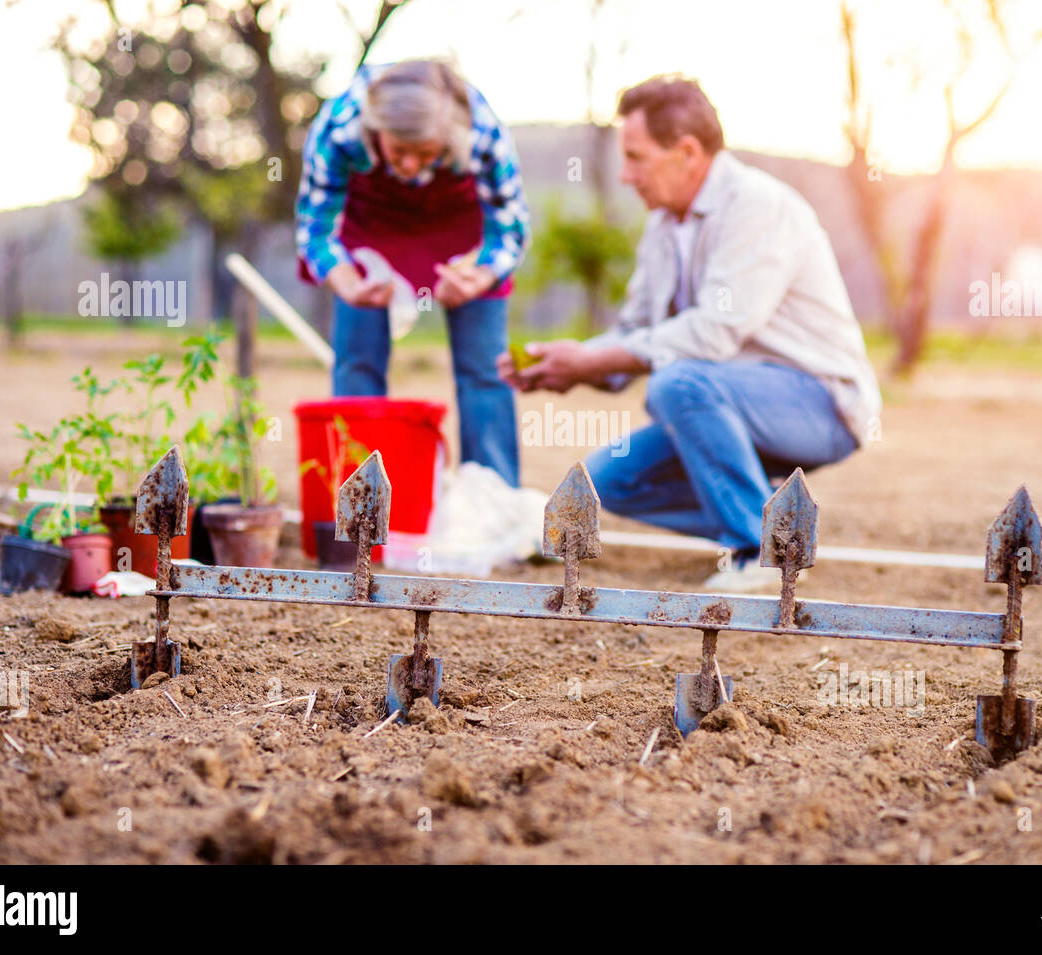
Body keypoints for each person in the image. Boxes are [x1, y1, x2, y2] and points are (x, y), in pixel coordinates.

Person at [498, 75, 880, 592]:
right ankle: (783, 518)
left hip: (819, 405)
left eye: (636, 157)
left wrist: (593, 361)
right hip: (725, 403)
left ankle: (757, 549)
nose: (626, 175)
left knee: (676, 384)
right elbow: (636, 332)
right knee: (610, 479)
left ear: (687, 151)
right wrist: (564, 362)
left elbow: (713, 334)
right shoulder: (663, 227)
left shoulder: (758, 206)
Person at [295, 59, 530, 487]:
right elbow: (315, 226)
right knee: (357, 362)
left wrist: (479, 274)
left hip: (460, 229)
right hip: (370, 228)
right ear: (374, 129)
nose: (409, 166)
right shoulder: (339, 127)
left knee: (484, 370)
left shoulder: (483, 131)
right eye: (397, 150)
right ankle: (360, 499)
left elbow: (510, 228)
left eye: (426, 153)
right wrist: (345, 280)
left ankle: (492, 497)